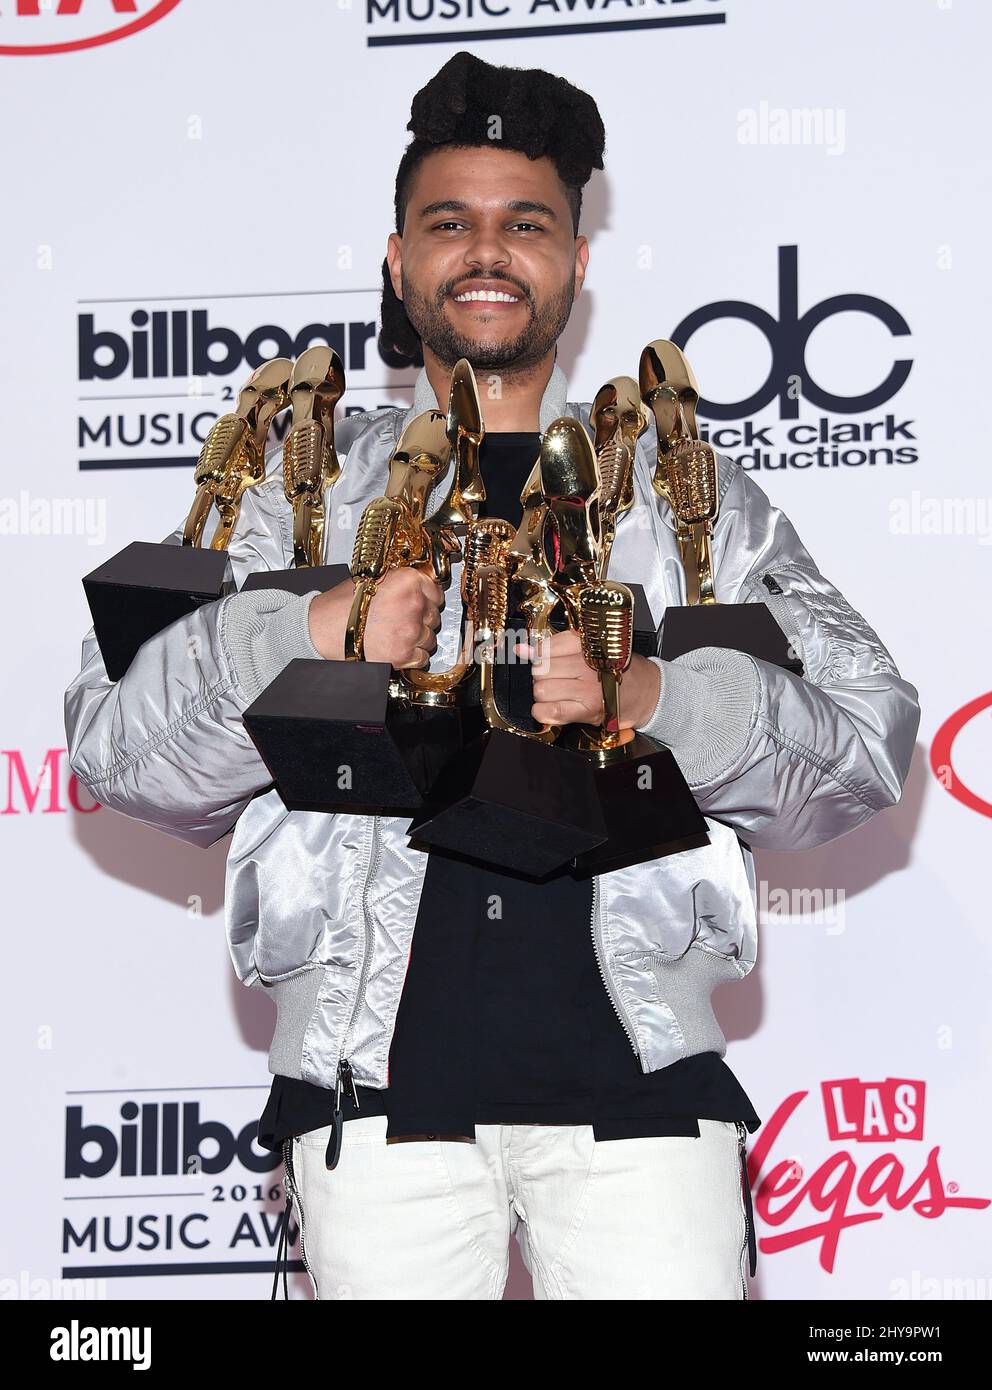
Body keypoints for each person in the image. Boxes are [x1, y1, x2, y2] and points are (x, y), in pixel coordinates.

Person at [64, 51, 921, 1301]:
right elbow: (113, 751)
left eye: (525, 224)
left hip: (641, 1102)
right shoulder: (279, 504)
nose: (485, 252)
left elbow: (863, 747)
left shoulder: (693, 507)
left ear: (575, 259)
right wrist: (301, 628)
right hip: (371, 1109)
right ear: (399, 259)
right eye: (447, 223)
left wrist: (651, 698)